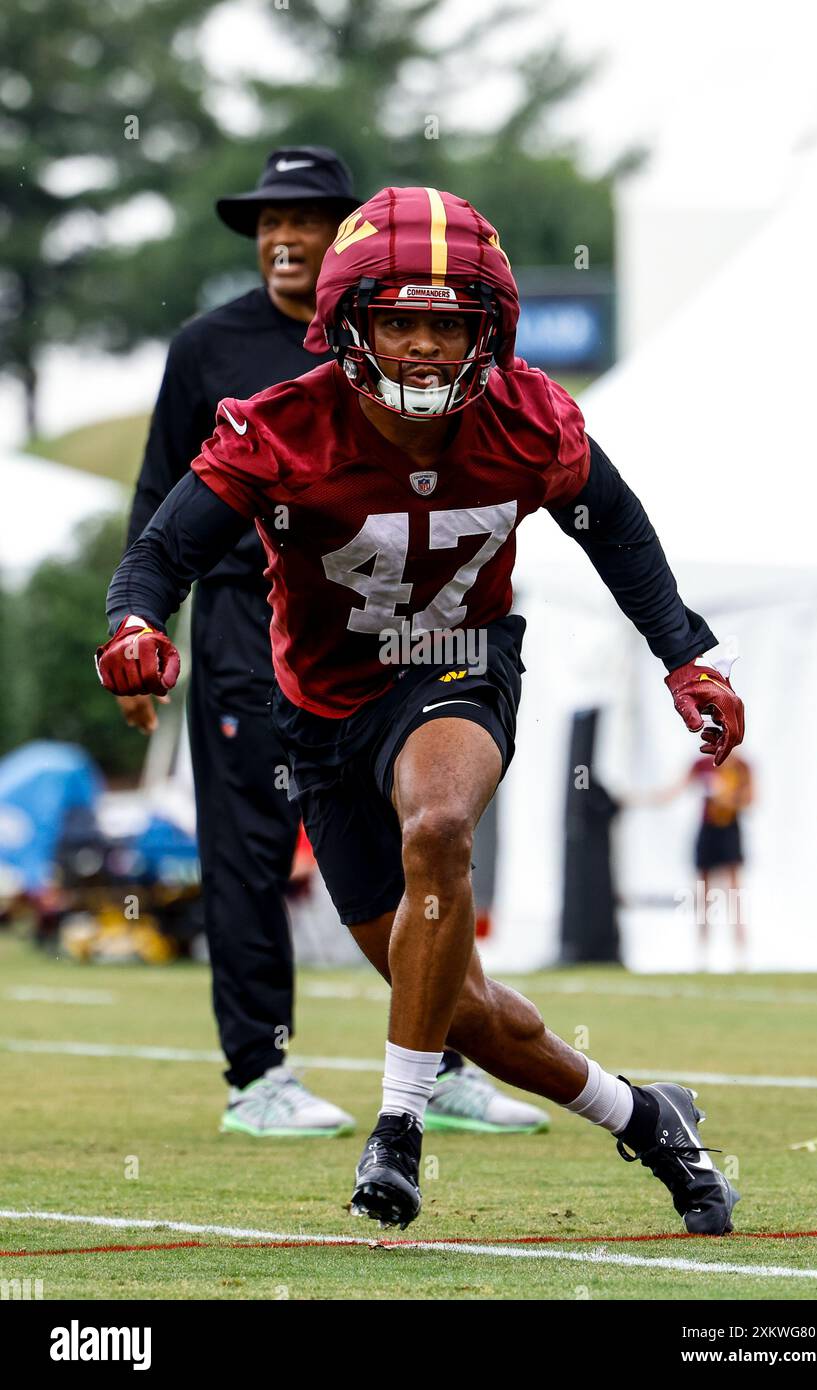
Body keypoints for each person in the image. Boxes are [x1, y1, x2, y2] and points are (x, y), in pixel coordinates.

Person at [96, 185, 745, 1234]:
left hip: (455, 660)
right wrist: (132, 626)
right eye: (398, 319)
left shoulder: (529, 418)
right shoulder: (279, 429)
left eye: (446, 323)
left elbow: (615, 531)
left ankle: (396, 1127)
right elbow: (162, 551)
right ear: (349, 324)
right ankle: (646, 1113)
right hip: (321, 708)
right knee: (462, 1006)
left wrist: (687, 657)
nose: (423, 347)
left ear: (485, 330)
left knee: (438, 823)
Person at [119, 151, 545, 1140]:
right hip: (238, 623)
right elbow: (159, 503)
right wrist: (138, 623)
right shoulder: (208, 345)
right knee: (251, 846)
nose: (280, 238)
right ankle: (256, 1069)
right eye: (267, 222)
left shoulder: (428, 339)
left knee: (418, 836)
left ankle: (435, 1056)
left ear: (349, 238)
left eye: (304, 219)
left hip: (385, 631)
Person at [631, 750, 753, 969]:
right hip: (708, 831)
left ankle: (740, 953)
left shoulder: (741, 765)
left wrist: (726, 797)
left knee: (733, 894)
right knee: (703, 894)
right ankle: (702, 953)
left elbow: (750, 799)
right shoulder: (702, 764)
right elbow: (674, 791)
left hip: (729, 830)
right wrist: (642, 798)